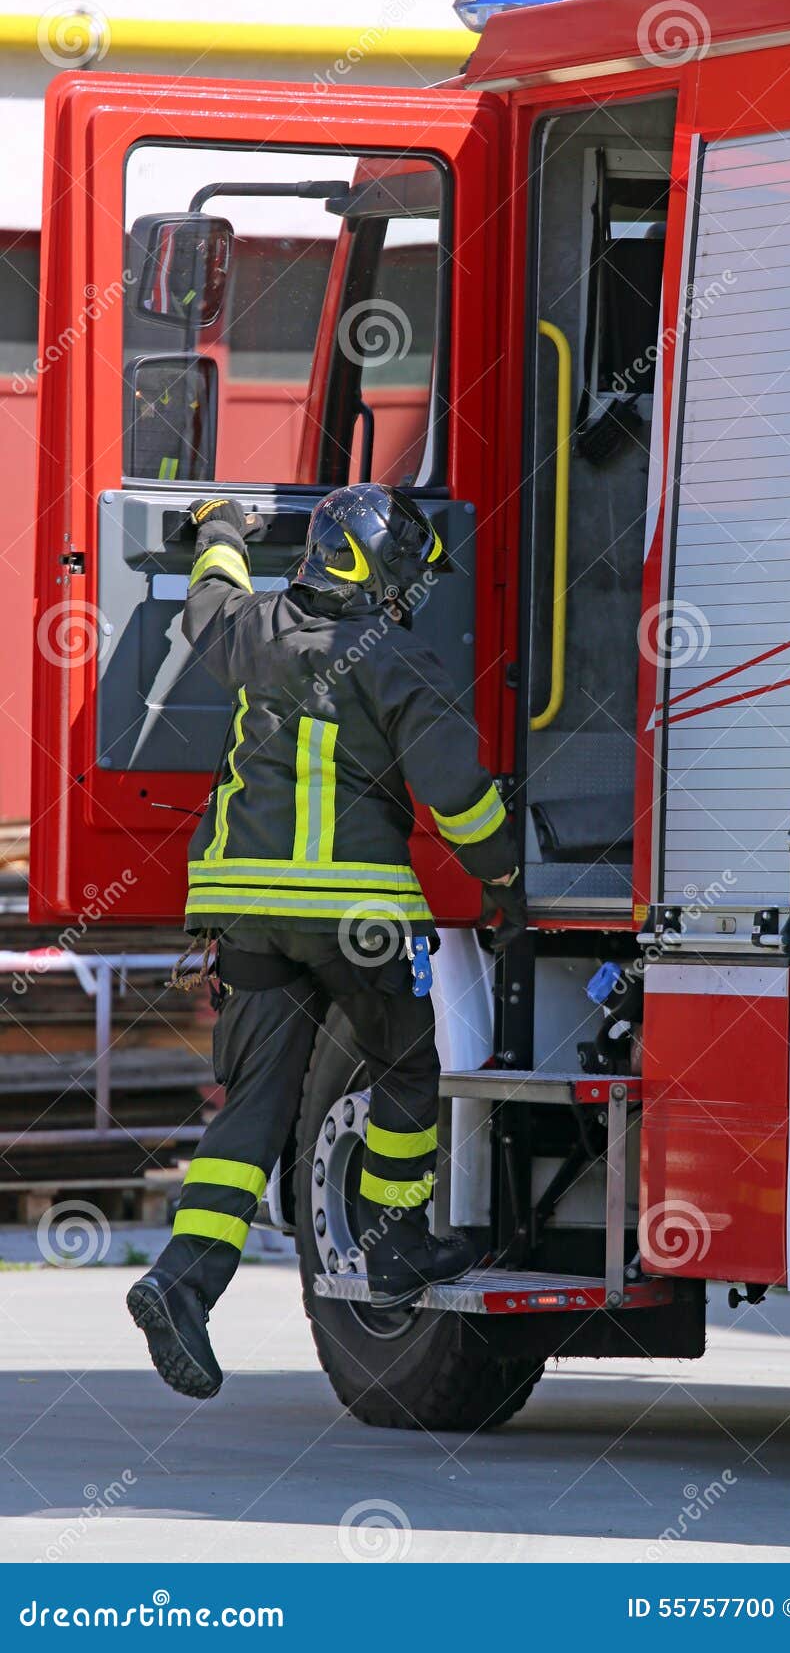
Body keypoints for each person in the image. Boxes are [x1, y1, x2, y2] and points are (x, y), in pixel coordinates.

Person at [127, 486, 525, 1400]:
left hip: (243, 910)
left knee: (256, 1104)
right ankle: (395, 1248)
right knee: (406, 1069)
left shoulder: (252, 628)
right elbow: (459, 797)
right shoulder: (398, 659)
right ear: (378, 573)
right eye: (408, 578)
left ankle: (183, 1281)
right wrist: (505, 879)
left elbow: (208, 593)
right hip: (356, 917)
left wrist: (219, 527)